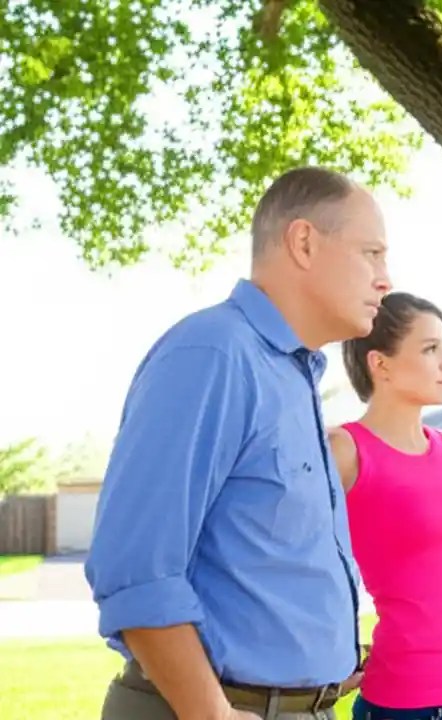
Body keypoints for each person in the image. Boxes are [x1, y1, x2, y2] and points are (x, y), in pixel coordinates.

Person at [84, 166, 392, 720]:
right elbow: (135, 568)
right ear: (304, 242)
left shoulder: (293, 376)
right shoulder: (213, 355)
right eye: (371, 252)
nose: (385, 278)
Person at [328, 292, 442, 720]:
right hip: (408, 700)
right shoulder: (344, 450)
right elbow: (297, 560)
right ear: (381, 364)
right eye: (431, 349)